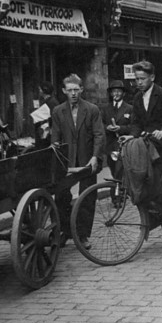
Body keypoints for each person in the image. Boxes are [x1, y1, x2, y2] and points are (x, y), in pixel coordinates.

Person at [51, 73, 105, 248]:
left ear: (81, 89)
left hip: (87, 160)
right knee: (60, 196)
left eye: (76, 89)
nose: (73, 93)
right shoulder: (58, 111)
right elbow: (56, 136)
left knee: (87, 198)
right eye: (69, 90)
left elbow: (99, 135)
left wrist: (95, 157)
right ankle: (65, 231)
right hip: (67, 162)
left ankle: (82, 235)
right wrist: (55, 146)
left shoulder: (92, 110)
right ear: (64, 91)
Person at [126, 61, 162, 208]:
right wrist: (132, 135)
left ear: (152, 77)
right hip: (150, 139)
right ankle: (144, 193)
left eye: (142, 79)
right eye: (136, 79)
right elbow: (136, 122)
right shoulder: (137, 97)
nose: (139, 82)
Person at [100, 79, 133, 173]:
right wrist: (107, 127)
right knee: (113, 168)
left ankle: (121, 187)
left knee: (122, 170)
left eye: (119, 91)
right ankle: (116, 187)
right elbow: (99, 124)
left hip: (124, 144)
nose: (116, 94)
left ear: (123, 93)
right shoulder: (105, 108)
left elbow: (134, 126)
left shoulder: (130, 108)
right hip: (110, 145)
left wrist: (121, 128)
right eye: (114, 91)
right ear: (111, 93)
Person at [34, 81, 59, 149]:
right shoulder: (49, 101)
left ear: (44, 90)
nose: (39, 91)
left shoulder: (50, 103)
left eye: (40, 89)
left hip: (48, 137)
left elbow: (50, 120)